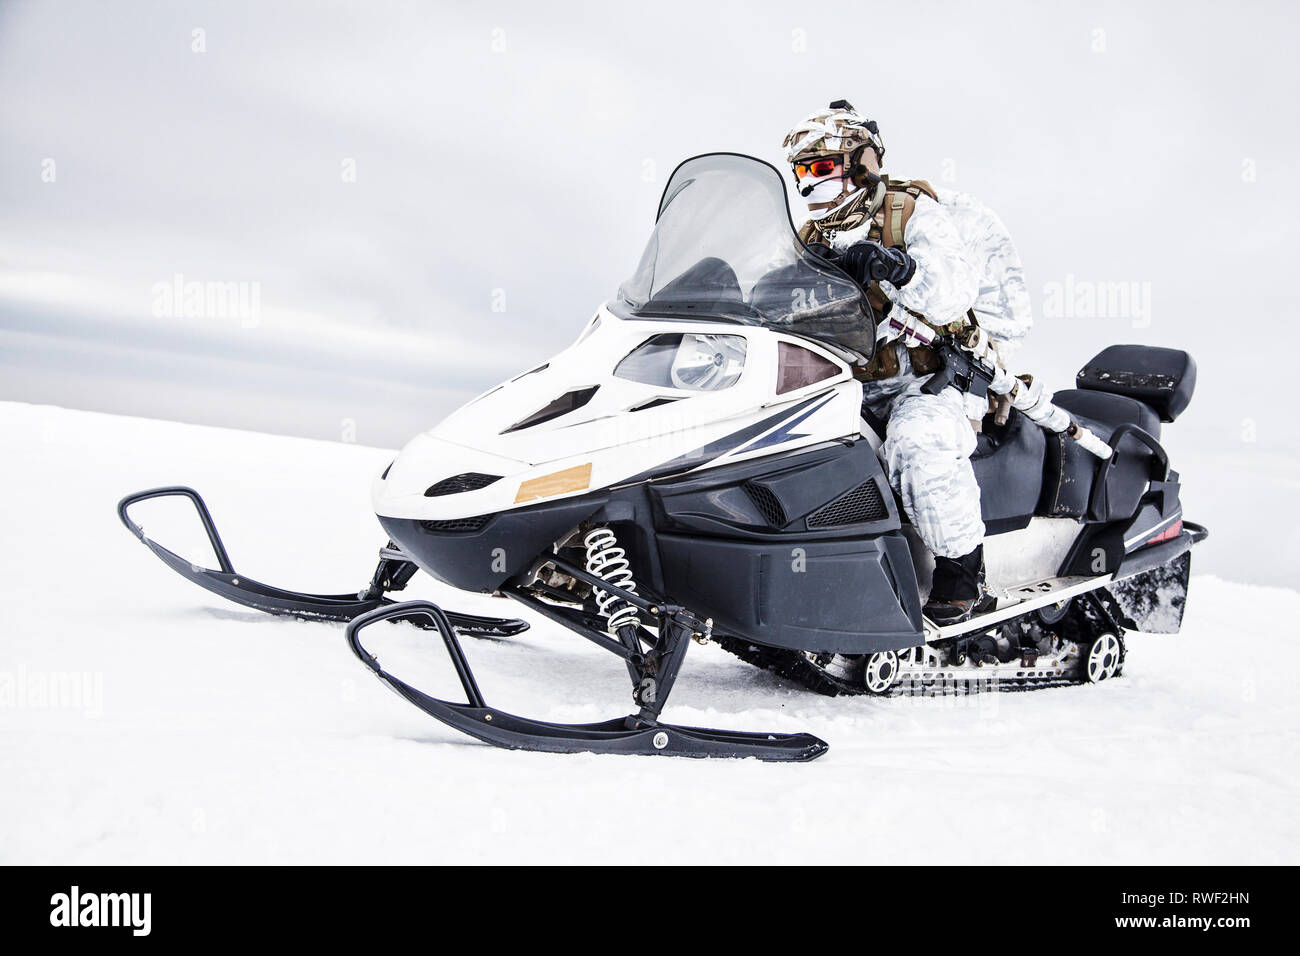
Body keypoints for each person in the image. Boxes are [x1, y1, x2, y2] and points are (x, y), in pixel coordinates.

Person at [782, 100, 1033, 624]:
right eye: (803, 172)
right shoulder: (812, 238)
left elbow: (952, 289)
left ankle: (963, 577)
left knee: (919, 443)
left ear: (862, 161)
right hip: (845, 381)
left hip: (929, 379)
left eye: (822, 168)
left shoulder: (910, 212)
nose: (810, 185)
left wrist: (902, 268)